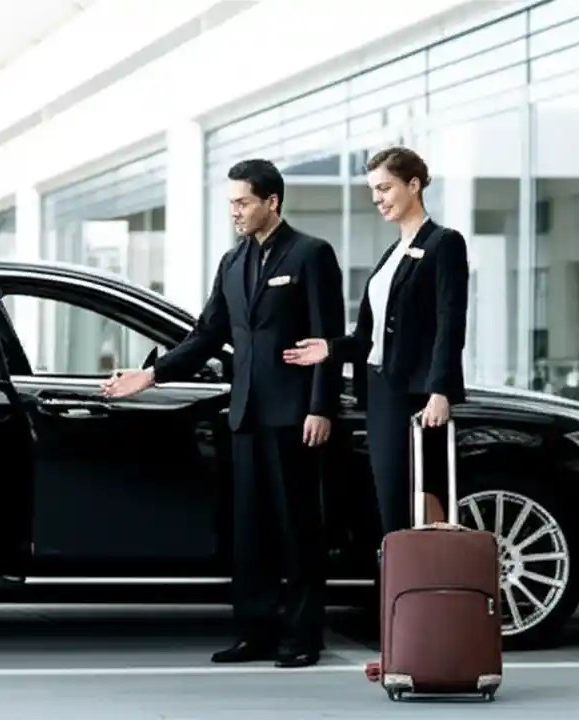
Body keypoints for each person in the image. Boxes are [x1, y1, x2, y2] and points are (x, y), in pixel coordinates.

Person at [101, 158, 346, 668]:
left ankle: (303, 636)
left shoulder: (311, 254)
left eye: (243, 202)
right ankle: (255, 632)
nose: (234, 211)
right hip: (245, 415)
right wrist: (151, 375)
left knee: (298, 529)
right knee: (249, 532)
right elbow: (207, 335)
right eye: (231, 203)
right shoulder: (232, 262)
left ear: (271, 202)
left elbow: (327, 336)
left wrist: (320, 407)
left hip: (294, 415)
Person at [280, 146, 469, 678]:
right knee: (391, 522)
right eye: (373, 192)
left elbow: (450, 321)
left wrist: (440, 391)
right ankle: (401, 645)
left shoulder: (443, 244)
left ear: (414, 184)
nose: (378, 199)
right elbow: (367, 338)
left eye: (385, 188)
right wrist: (329, 349)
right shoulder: (391, 255)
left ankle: (429, 643)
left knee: (423, 517)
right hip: (382, 396)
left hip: (415, 398)